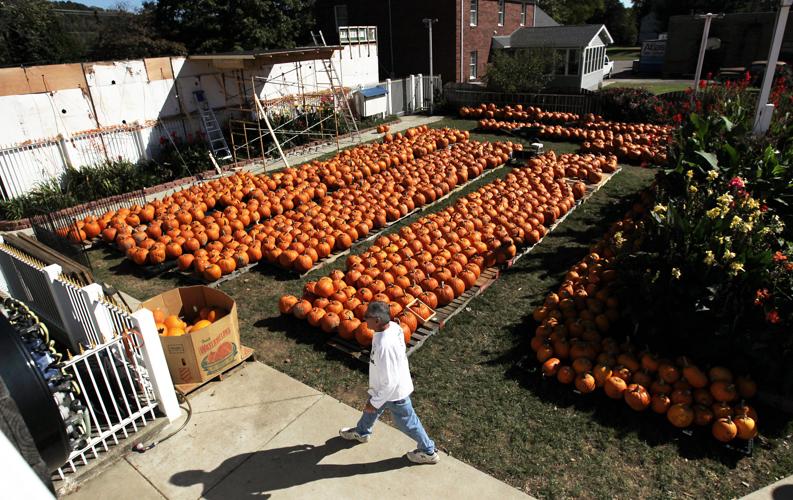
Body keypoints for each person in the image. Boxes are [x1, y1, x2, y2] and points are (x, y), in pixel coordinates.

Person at [339, 301, 439, 464]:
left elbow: (390, 382)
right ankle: (362, 432)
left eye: (367, 316)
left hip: (394, 393)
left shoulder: (384, 346)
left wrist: (375, 402)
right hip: (384, 387)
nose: (364, 318)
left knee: (407, 422)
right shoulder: (393, 327)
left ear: (377, 320)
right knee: (373, 408)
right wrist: (375, 400)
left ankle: (428, 451)